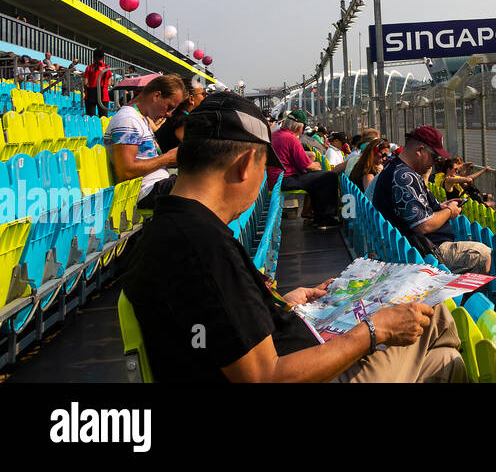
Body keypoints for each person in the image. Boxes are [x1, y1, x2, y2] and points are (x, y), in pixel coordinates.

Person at [120, 92, 465, 383]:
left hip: (293, 347)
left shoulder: (171, 230)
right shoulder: (204, 247)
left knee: (447, 361)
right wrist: (373, 330)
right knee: (437, 316)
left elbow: (220, 324)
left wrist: (281, 305)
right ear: (244, 165)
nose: (263, 182)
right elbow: (266, 377)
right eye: (262, 169)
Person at [370, 126, 491, 274]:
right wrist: (449, 211)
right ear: (420, 150)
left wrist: (439, 207)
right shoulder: (404, 176)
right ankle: (469, 298)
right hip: (424, 251)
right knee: (483, 255)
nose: (434, 163)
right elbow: (423, 226)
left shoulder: (397, 170)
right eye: (434, 157)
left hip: (411, 247)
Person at [108, 74, 186, 208]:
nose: (169, 114)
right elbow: (126, 171)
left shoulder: (139, 119)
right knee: (204, 182)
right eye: (169, 106)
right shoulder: (128, 119)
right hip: (145, 192)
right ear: (157, 96)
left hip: (155, 186)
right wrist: (166, 159)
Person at [269, 110, 340, 228]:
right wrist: (317, 165)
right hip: (285, 180)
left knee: (316, 178)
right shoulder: (291, 138)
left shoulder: (275, 134)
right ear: (299, 127)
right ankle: (325, 218)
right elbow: (306, 165)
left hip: (275, 179)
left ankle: (314, 214)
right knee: (329, 176)